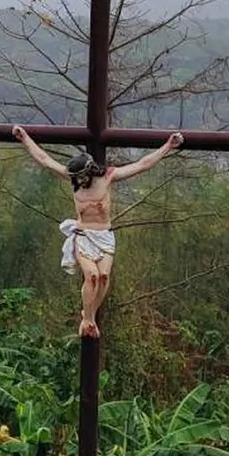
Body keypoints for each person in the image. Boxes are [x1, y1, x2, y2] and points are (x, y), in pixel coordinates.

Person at [11, 126, 183, 338]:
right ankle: (88, 319)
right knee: (91, 276)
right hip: (83, 235)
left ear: (89, 171)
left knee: (103, 277)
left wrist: (168, 145)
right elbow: (45, 160)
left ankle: (89, 312)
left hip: (104, 234)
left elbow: (142, 164)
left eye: (81, 177)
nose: (78, 181)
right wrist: (25, 138)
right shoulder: (73, 180)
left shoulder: (108, 177)